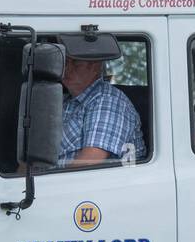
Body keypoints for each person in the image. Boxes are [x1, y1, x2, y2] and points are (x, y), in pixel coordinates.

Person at [58, 36, 145, 168]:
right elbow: (38, 154)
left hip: (85, 186)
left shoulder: (108, 101)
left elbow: (89, 162)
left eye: (75, 63)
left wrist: (51, 186)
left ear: (95, 67)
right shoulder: (66, 100)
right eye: (65, 62)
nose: (67, 68)